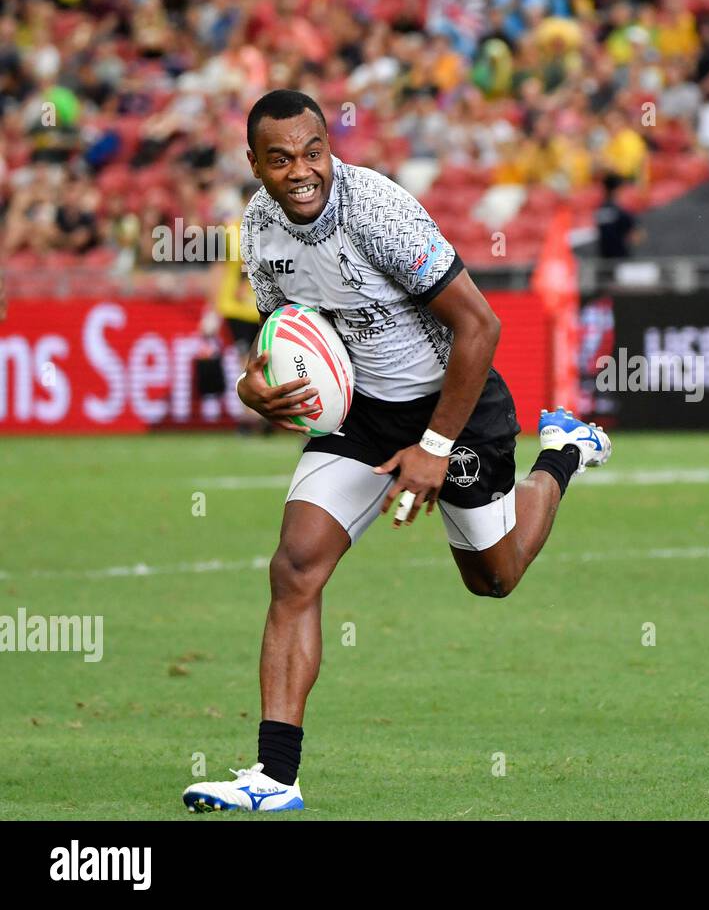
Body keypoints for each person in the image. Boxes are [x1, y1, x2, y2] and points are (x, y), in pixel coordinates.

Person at [182, 90, 612, 812]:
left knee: (495, 578)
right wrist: (255, 388)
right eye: (280, 158)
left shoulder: (378, 211)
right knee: (294, 567)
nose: (301, 170)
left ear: (330, 147)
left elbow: (481, 327)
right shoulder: (257, 227)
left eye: (313, 151)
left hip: (456, 405)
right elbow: (287, 335)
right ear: (253, 163)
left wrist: (436, 448)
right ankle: (275, 777)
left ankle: (562, 452)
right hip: (362, 415)